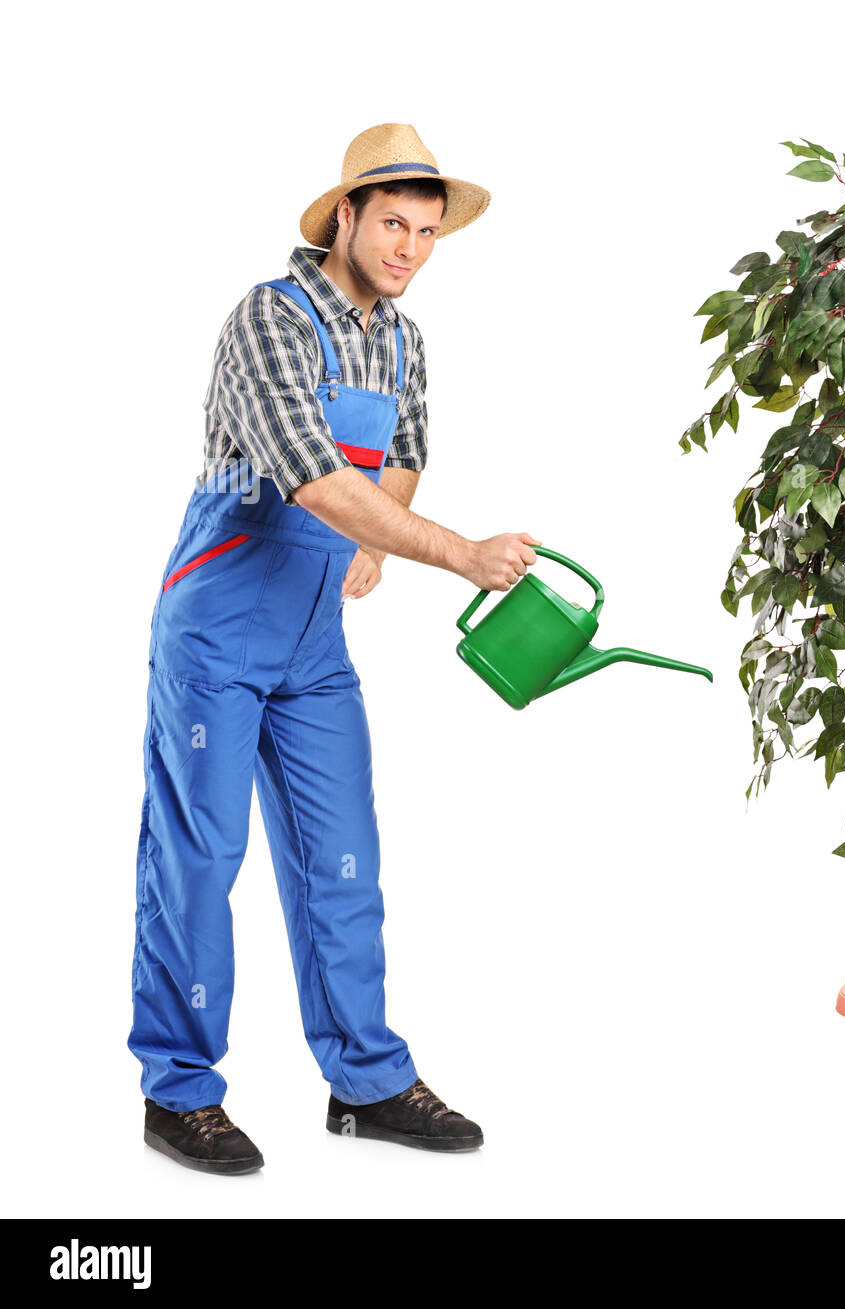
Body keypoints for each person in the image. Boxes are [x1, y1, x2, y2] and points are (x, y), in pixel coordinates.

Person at [128, 122, 538, 1174]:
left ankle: (366, 1081)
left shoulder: (402, 341)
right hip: (216, 621)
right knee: (199, 860)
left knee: (344, 865)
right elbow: (315, 476)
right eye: (392, 222)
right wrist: (454, 552)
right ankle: (179, 1093)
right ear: (343, 215)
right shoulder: (271, 317)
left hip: (313, 642)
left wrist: (376, 539)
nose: (408, 247)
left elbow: (397, 462)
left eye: (427, 231)